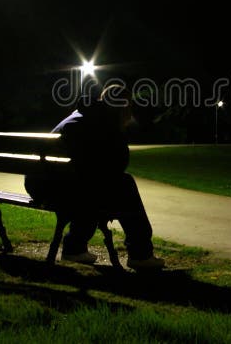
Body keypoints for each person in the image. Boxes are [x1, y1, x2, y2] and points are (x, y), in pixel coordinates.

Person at [25, 85, 164, 271]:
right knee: (124, 184)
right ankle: (141, 253)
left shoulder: (81, 114)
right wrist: (120, 131)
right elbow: (119, 165)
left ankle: (75, 247)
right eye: (128, 106)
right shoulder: (105, 122)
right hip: (60, 188)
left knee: (92, 188)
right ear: (122, 107)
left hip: (38, 184)